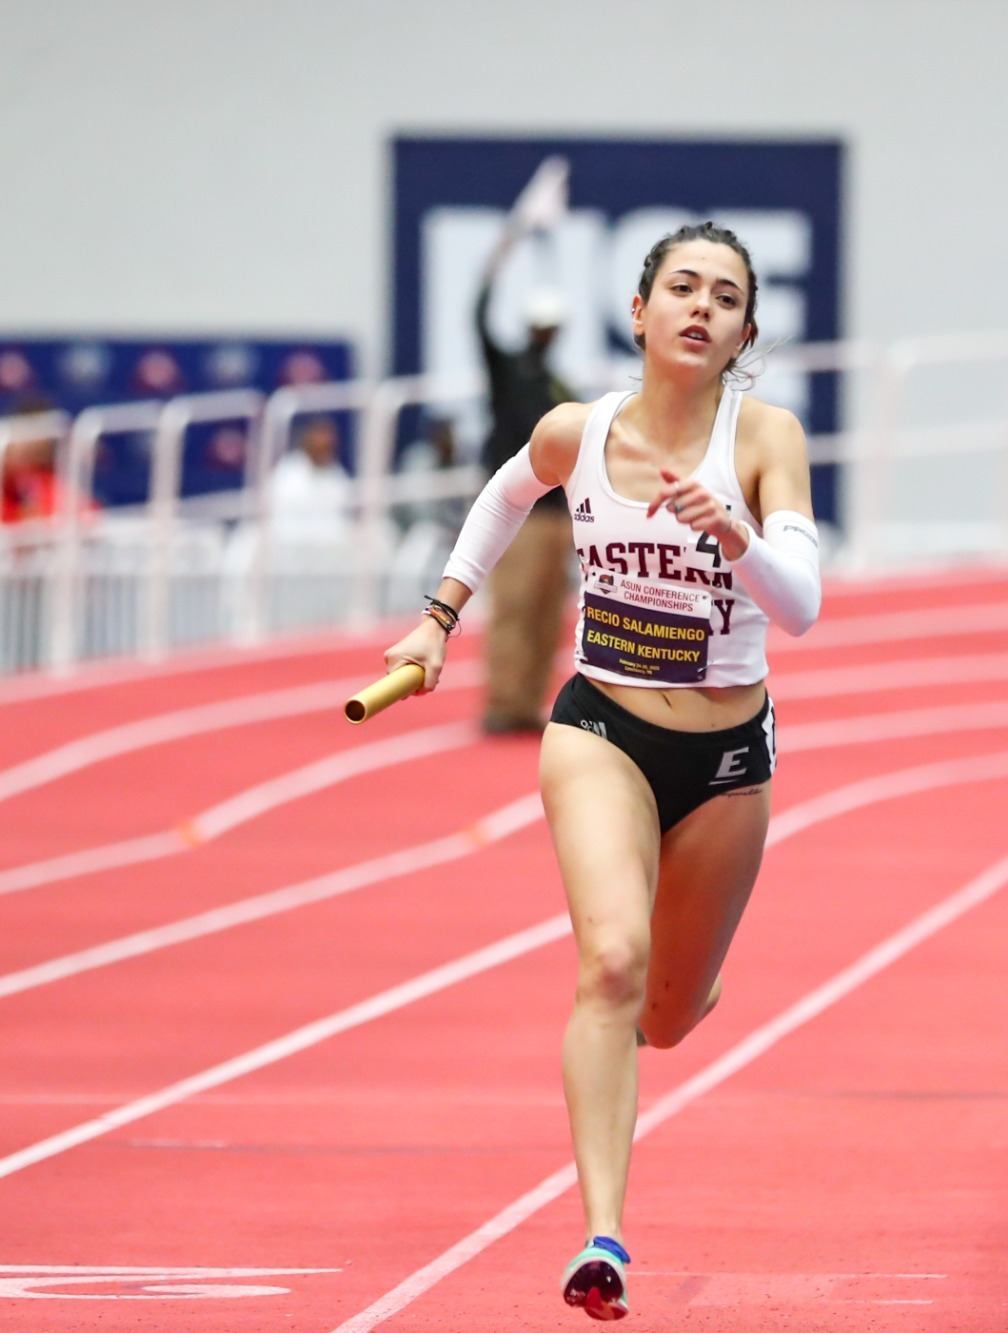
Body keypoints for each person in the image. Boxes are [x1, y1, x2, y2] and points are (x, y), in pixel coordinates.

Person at [381, 222, 822, 1321]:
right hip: (600, 729)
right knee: (609, 965)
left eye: (725, 298)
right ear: (636, 312)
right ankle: (604, 1237)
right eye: (679, 287)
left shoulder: (764, 438)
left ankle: (688, 976)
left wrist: (736, 534)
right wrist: (436, 622)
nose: (699, 307)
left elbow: (802, 609)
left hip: (726, 756)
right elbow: (499, 496)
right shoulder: (576, 431)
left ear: (744, 334)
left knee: (665, 1014)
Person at [474, 221, 576, 734]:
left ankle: (530, 702)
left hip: (558, 513)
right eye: (539, 325)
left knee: (547, 615)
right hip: (522, 512)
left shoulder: (560, 382)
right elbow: (478, 318)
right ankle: (503, 702)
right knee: (513, 608)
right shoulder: (508, 369)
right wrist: (501, 254)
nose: (545, 334)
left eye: (551, 327)